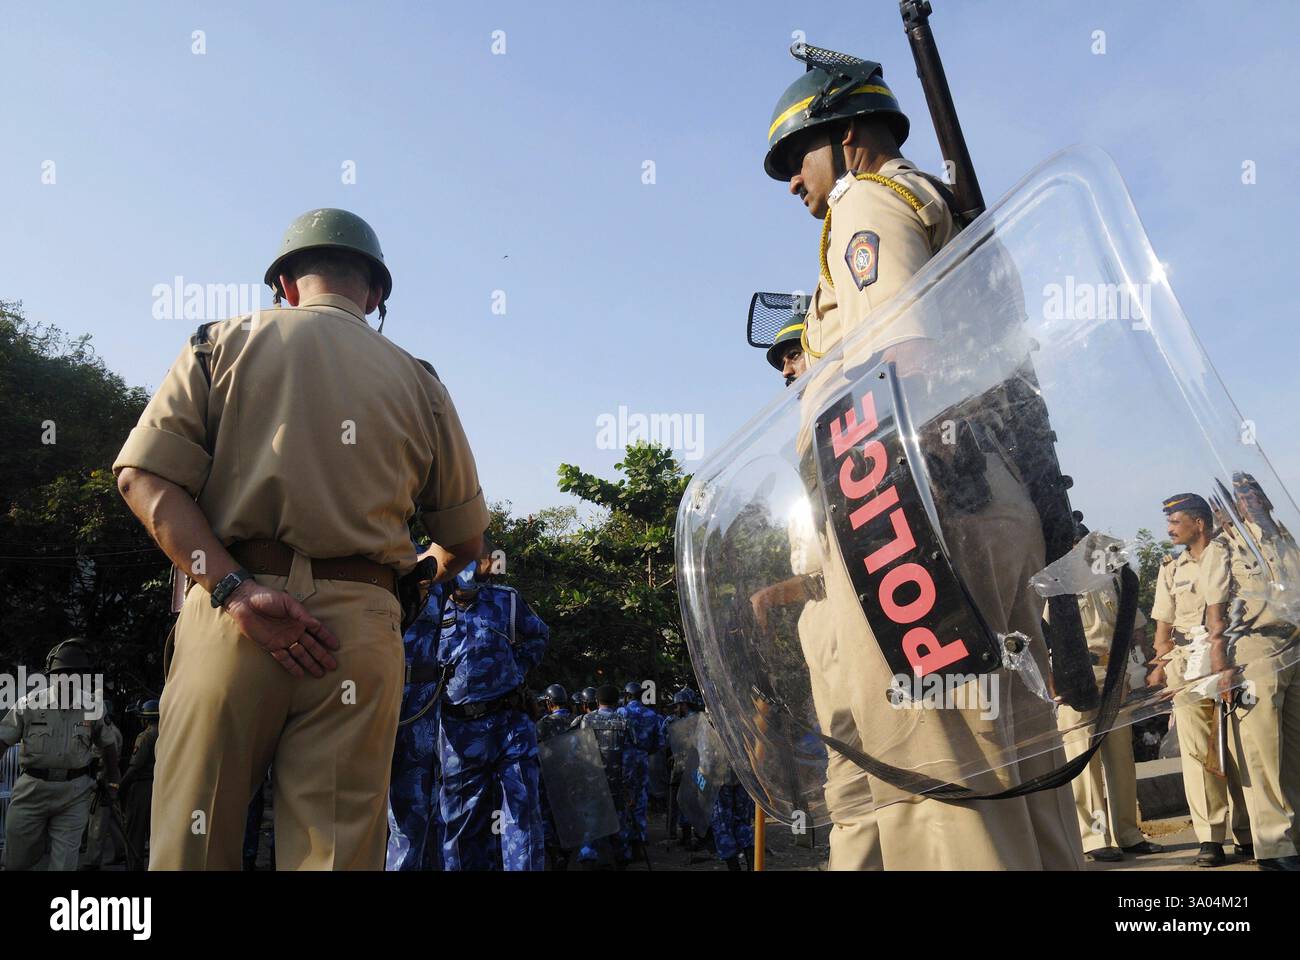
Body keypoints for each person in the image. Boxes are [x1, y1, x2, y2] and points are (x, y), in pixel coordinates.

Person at [762, 43, 1083, 870]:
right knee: (1014, 748)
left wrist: (893, 525)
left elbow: (901, 360)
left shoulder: (867, 201)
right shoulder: (935, 204)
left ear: (851, 133)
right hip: (984, 492)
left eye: (798, 158)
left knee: (936, 764)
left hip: (913, 504)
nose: (794, 183)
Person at [113, 207, 488, 869]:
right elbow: (464, 542)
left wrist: (232, 589)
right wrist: (412, 585)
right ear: (374, 295)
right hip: (358, 633)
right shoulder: (422, 383)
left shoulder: (218, 342)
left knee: (194, 843)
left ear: (285, 283)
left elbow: (143, 478)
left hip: (234, 616)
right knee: (336, 851)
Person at [750, 311, 882, 870]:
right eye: (781, 362)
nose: (786, 370)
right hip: (824, 626)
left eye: (795, 354)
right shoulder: (806, 459)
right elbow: (816, 572)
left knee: (890, 759)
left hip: (871, 616)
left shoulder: (867, 430)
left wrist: (779, 593)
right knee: (847, 771)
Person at [1149, 493, 1252, 867]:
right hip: (1189, 666)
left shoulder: (1229, 554)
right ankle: (1211, 838)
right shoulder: (1171, 568)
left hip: (1232, 660)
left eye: (1176, 522)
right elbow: (1163, 625)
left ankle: (1249, 831)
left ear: (1199, 523)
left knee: (1241, 748)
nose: (1170, 529)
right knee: (1197, 753)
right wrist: (1161, 664)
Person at [436, 544, 549, 870]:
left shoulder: (507, 600)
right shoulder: (432, 607)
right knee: (461, 824)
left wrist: (515, 669)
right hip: (459, 733)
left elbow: (538, 635)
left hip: (509, 723)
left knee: (522, 816)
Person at [1052, 537, 1163, 862]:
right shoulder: (1058, 583)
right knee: (1083, 760)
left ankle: (1128, 834)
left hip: (1115, 674)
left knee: (1122, 760)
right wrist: (1056, 684)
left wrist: (1138, 663)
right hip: (1078, 676)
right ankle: (1094, 837)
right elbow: (1046, 636)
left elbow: (1136, 625)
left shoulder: (1112, 578)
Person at [1219, 474, 1300, 870]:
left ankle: (1295, 837)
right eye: (1240, 495)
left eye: (1252, 491)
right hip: (1255, 649)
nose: (1247, 499)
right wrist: (1223, 668)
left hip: (1294, 645)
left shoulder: (1285, 537)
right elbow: (1215, 608)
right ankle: (1274, 845)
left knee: (1293, 752)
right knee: (1263, 751)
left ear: (1266, 497)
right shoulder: (1230, 541)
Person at [0, 640, 120, 871]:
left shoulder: (93, 707)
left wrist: (112, 781)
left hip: (74, 792)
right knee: (17, 861)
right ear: (51, 676)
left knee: (65, 863)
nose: (69, 679)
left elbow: (108, 745)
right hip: (31, 790)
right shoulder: (29, 705)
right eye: (63, 673)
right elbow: (3, 739)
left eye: (77, 674)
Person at [387, 573, 451, 872]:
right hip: (362, 695)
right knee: (349, 803)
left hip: (420, 707)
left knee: (413, 809)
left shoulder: (436, 572)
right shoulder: (361, 556)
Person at [576, 684, 634, 869]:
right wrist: (629, 787)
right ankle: (622, 859)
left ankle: (589, 860)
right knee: (619, 826)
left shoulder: (586, 720)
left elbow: (580, 753)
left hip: (593, 784)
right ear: (617, 701)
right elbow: (629, 757)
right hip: (616, 784)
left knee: (591, 826)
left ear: (597, 700)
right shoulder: (623, 721)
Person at [617, 680, 664, 858]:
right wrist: (643, 751)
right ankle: (638, 842)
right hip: (643, 761)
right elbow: (659, 742)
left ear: (627, 695)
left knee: (623, 800)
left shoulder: (621, 712)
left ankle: (623, 845)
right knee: (641, 800)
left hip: (623, 761)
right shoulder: (652, 715)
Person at [80, 698, 124, 870]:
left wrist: (100, 779)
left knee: (97, 821)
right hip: (107, 777)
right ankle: (121, 851)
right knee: (112, 818)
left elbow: (108, 758)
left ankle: (92, 861)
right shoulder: (112, 730)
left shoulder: (108, 732)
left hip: (102, 778)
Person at [536, 683, 574, 871]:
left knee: (546, 816)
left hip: (549, 777)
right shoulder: (577, 721)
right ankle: (567, 852)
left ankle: (555, 852)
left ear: (550, 703)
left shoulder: (543, 724)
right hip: (573, 776)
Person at [118, 699, 159, 871]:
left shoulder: (145, 736)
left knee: (134, 835)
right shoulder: (168, 733)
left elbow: (135, 768)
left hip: (142, 788)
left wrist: (121, 788)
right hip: (160, 787)